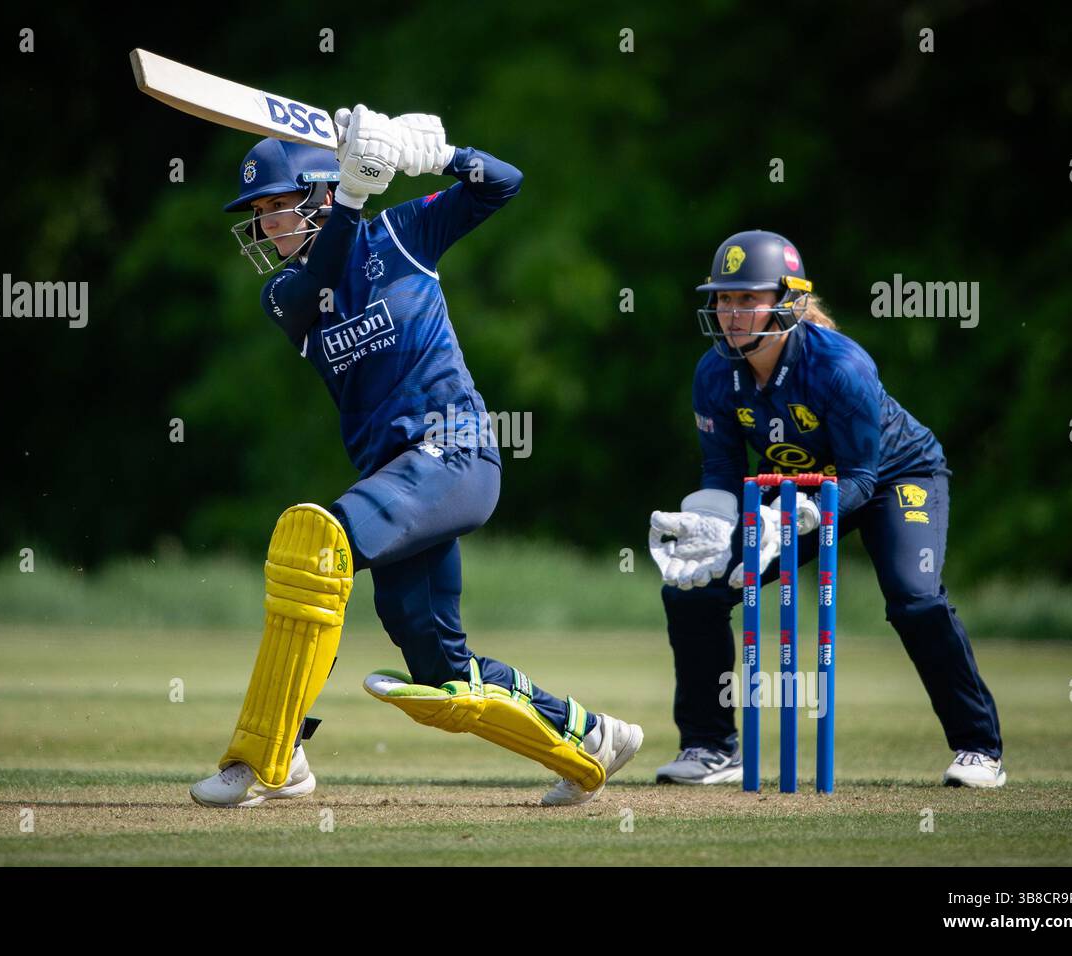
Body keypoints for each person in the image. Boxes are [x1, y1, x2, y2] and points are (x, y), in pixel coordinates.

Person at [190, 106, 642, 809]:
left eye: (281, 207)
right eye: (260, 213)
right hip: (399, 482)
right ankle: (590, 736)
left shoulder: (401, 235)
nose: (268, 226)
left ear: (316, 195)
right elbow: (320, 280)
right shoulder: (283, 294)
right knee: (440, 672)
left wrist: (435, 154)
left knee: (319, 544)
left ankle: (270, 759)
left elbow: (504, 184)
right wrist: (352, 196)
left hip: (457, 455)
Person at [648, 230, 1004, 788]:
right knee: (693, 589)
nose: (731, 313)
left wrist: (807, 514)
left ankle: (979, 748)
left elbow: (862, 475)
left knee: (915, 600)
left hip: (895, 478)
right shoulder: (714, 373)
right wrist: (713, 525)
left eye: (748, 299)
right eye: (723, 299)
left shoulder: (841, 367)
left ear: (787, 301)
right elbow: (722, 472)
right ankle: (712, 747)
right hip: (795, 489)